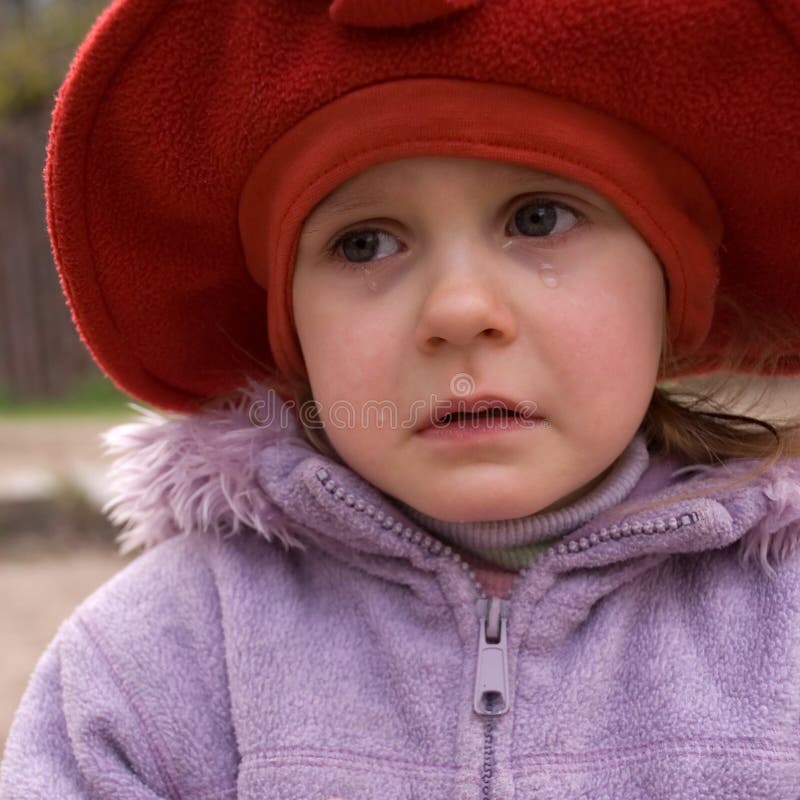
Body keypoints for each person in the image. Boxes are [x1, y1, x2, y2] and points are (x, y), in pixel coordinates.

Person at [2, 1, 800, 798]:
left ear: (673, 289)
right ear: (294, 333)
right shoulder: (157, 666)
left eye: (539, 218)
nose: (458, 309)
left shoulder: (783, 629)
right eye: (365, 243)